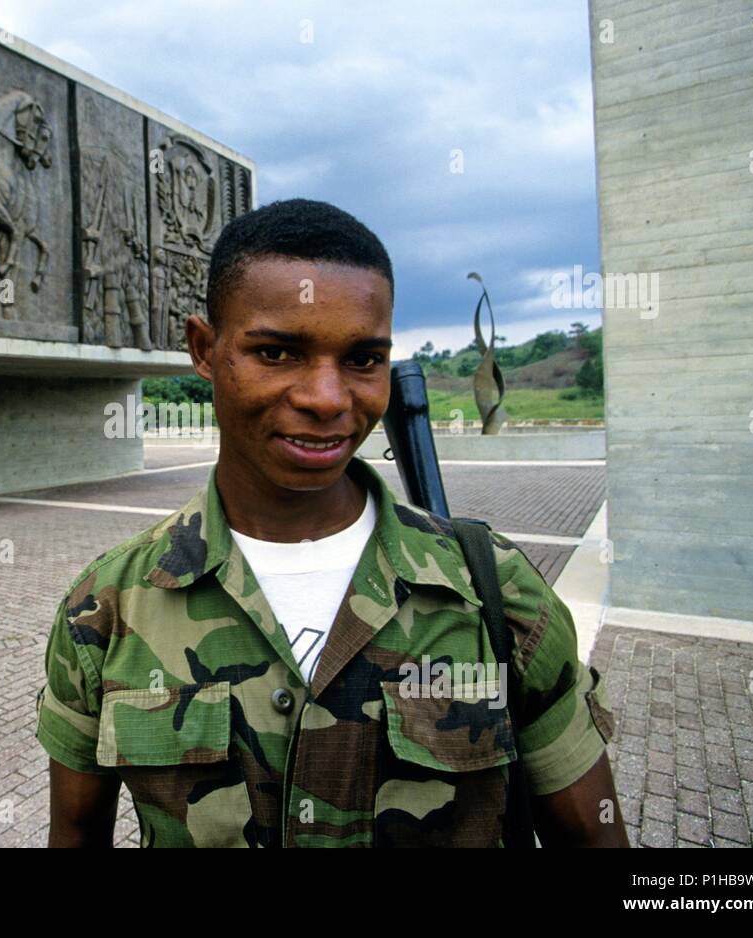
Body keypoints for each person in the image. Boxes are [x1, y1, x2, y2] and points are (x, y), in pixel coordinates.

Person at [35, 198, 627, 848]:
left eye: (363, 359)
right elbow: (75, 833)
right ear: (205, 350)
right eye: (277, 352)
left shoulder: (492, 592)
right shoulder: (107, 609)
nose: (327, 398)